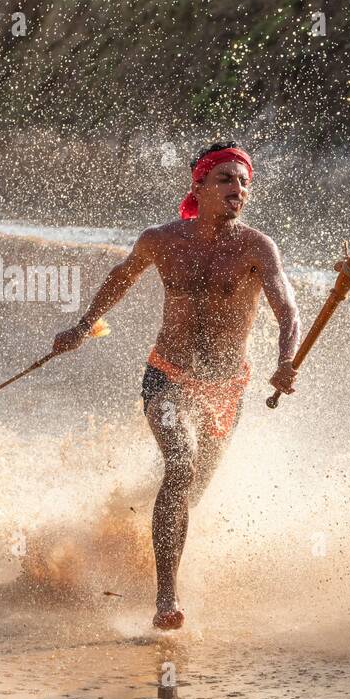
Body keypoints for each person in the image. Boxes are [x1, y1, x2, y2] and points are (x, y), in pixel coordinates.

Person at [53, 142, 300, 630]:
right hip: (167, 375)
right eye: (227, 180)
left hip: (227, 388)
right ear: (200, 186)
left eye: (244, 182)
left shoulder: (257, 246)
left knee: (189, 488)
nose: (238, 190)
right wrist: (82, 327)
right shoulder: (162, 240)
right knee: (181, 461)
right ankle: (166, 597)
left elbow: (287, 308)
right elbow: (120, 279)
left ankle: (136, 521)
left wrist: (286, 360)